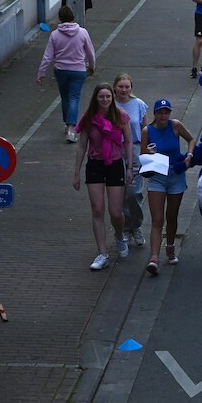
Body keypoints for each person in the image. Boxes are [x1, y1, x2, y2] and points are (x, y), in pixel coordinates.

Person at [72, 83, 134, 271]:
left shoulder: (120, 116)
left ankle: (119, 235)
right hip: (95, 164)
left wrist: (130, 167)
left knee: (115, 212)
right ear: (96, 98)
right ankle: (102, 253)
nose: (105, 100)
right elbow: (82, 145)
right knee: (97, 209)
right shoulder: (89, 118)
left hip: (115, 163)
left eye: (108, 96)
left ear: (112, 97)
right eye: (101, 97)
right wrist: (76, 172)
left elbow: (129, 142)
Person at [140, 99, 197, 273]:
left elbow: (192, 140)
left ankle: (170, 248)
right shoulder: (147, 130)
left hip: (175, 175)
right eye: (160, 112)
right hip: (157, 175)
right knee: (157, 219)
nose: (163, 115)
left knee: (172, 215)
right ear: (155, 114)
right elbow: (142, 154)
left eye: (166, 112)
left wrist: (188, 156)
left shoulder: (175, 125)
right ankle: (154, 258)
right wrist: (148, 152)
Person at [37, 5, 96, 143]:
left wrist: (41, 73)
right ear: (73, 17)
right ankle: (71, 128)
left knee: (65, 98)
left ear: (60, 18)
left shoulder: (54, 35)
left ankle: (66, 124)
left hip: (61, 70)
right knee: (74, 98)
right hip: (78, 70)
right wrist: (92, 66)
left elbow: (47, 56)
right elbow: (90, 52)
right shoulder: (82, 33)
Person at [113, 74, 149, 248]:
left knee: (134, 192)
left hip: (134, 149)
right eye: (120, 86)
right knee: (120, 193)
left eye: (127, 86)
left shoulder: (139, 105)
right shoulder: (109, 105)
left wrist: (146, 149)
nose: (124, 90)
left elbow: (145, 130)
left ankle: (137, 224)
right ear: (114, 87)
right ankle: (126, 227)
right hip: (114, 150)